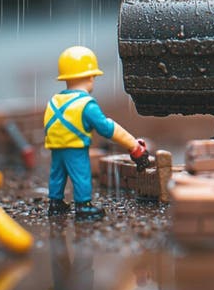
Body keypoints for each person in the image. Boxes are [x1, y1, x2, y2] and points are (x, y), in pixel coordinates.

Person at [44, 46, 150, 221]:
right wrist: (132, 144)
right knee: (81, 175)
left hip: (56, 146)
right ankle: (83, 207)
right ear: (90, 77)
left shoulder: (54, 101)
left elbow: (47, 124)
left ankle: (55, 204)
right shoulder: (86, 104)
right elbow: (106, 128)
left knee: (57, 174)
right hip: (75, 147)